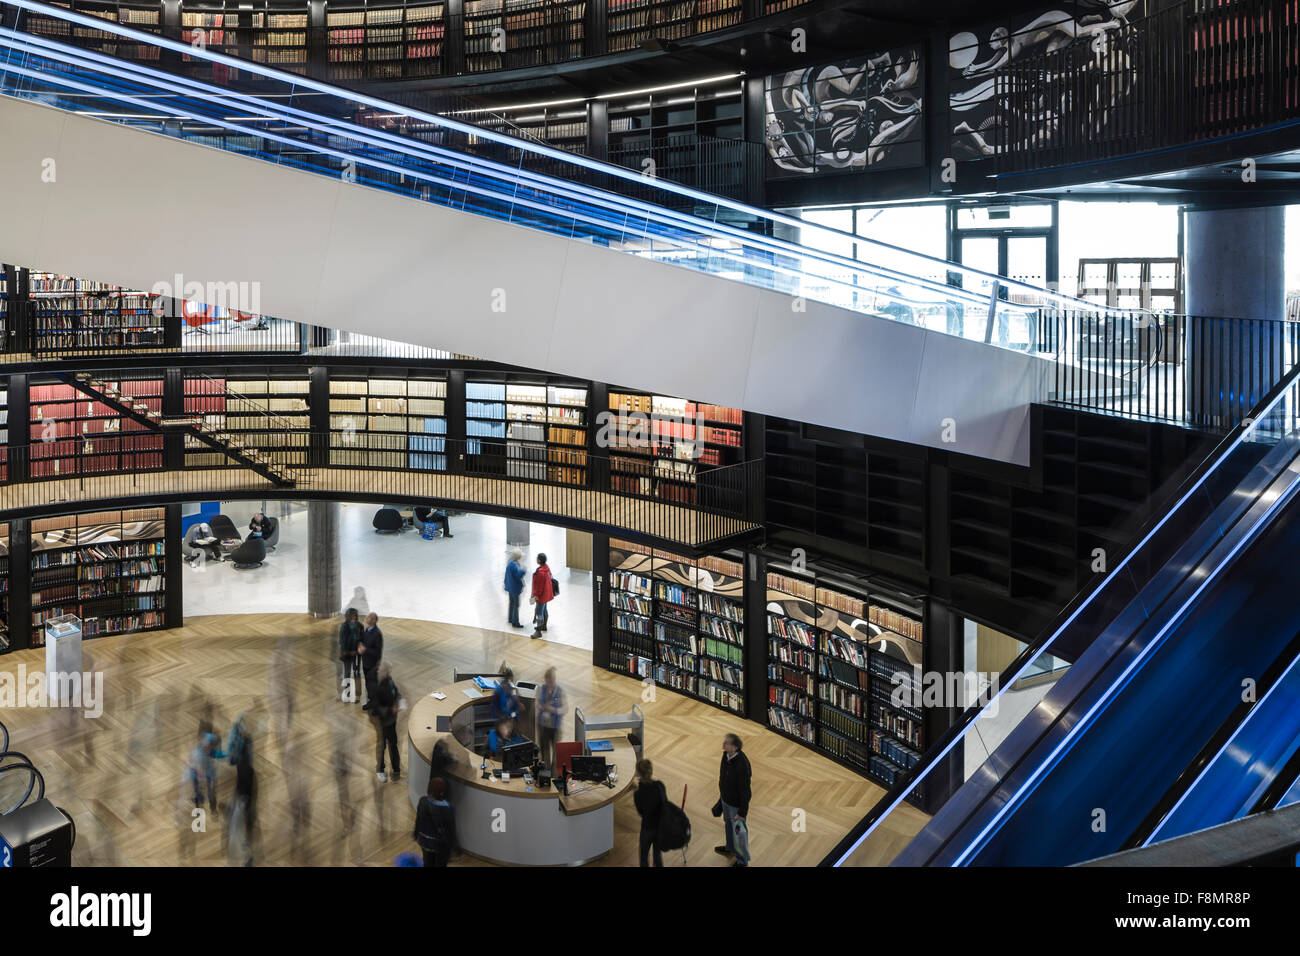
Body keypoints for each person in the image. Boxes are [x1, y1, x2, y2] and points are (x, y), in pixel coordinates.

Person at [715, 733, 752, 867]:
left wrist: (742, 812)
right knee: (728, 825)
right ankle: (730, 848)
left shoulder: (742, 765)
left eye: (727, 743)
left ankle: (742, 862)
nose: (724, 744)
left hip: (736, 805)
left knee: (740, 834)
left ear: (735, 747)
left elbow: (745, 791)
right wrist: (721, 800)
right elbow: (723, 778)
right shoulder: (725, 756)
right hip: (726, 800)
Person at [413, 777, 456, 867]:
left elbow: (418, 820)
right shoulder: (448, 808)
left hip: (424, 841)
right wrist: (453, 847)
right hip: (440, 845)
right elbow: (451, 830)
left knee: (427, 863)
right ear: (442, 792)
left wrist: (416, 834)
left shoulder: (423, 801)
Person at [372, 660, 402, 782]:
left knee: (394, 745)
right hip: (384, 723)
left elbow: (396, 691)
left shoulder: (390, 681)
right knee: (382, 746)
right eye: (385, 670)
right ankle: (380, 770)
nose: (386, 672)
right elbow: (376, 709)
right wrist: (391, 710)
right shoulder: (378, 688)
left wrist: (398, 698)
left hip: (392, 721)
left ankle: (396, 769)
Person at [633, 759, 666, 867]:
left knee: (644, 857)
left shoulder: (638, 793)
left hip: (647, 827)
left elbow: (641, 812)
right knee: (657, 856)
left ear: (638, 773)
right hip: (660, 826)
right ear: (651, 771)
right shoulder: (660, 785)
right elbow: (665, 803)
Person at [537, 667, 565, 773]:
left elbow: (564, 708)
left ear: (554, 679)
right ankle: (546, 774)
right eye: (547, 680)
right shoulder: (542, 688)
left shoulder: (560, 691)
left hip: (555, 727)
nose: (548, 683)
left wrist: (553, 709)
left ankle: (554, 776)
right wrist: (541, 706)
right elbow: (538, 703)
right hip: (543, 725)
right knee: (545, 753)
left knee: (556, 754)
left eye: (550, 681)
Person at [358, 612, 383, 711]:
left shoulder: (377, 634)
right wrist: (359, 644)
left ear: (374, 621)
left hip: (372, 664)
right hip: (366, 662)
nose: (367, 618)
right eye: (367, 617)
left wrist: (365, 650)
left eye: (369, 617)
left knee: (372, 685)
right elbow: (363, 641)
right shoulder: (367, 630)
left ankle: (375, 705)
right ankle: (371, 702)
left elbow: (377, 651)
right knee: (368, 684)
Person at [337, 608, 363, 702]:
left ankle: (358, 695)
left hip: (356, 655)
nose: (353, 617)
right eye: (351, 615)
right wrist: (345, 652)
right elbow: (341, 641)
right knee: (347, 674)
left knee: (357, 674)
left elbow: (362, 639)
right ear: (347, 616)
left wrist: (357, 649)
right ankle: (347, 694)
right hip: (347, 654)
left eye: (355, 615)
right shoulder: (344, 626)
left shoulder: (360, 626)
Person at [529, 553, 555, 639]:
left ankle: (538, 631)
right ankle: (544, 626)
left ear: (539, 560)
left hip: (541, 595)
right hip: (547, 594)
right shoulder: (546, 568)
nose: (536, 559)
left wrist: (536, 595)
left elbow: (538, 586)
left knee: (539, 613)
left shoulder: (540, 572)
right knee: (544, 610)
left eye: (537, 558)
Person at [503, 548, 526, 628]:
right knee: (516, 605)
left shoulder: (509, 564)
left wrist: (506, 585)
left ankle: (510, 618)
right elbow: (518, 575)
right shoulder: (515, 565)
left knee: (511, 603)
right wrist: (523, 570)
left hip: (510, 587)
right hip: (515, 588)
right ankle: (515, 622)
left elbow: (506, 576)